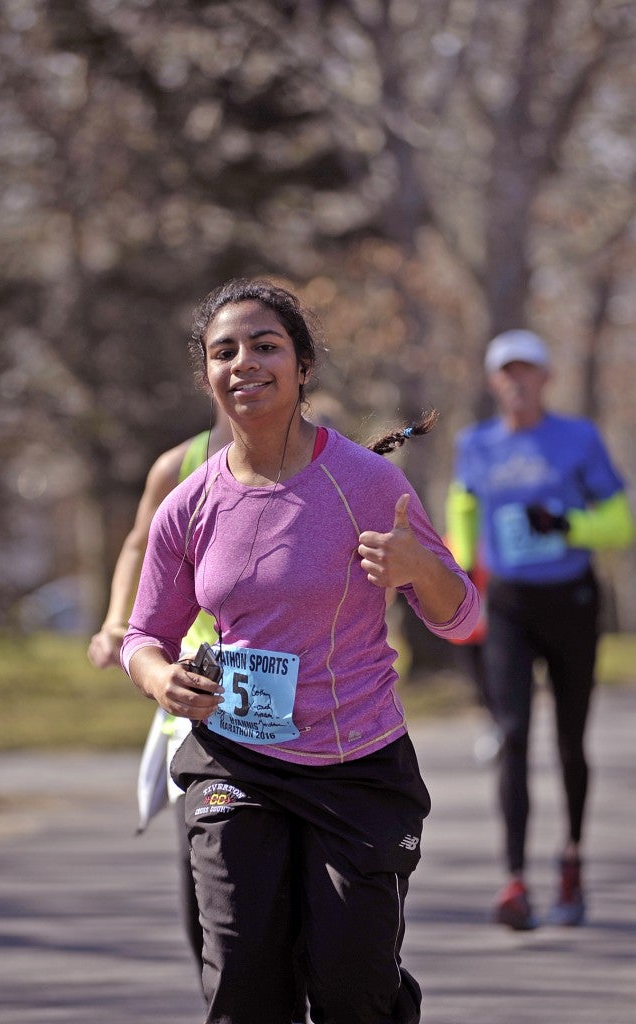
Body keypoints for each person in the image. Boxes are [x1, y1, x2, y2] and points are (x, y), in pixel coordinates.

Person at [121, 278, 480, 1024]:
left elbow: (462, 619)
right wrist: (159, 680)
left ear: (303, 365)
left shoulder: (367, 484)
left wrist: (420, 569)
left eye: (266, 345)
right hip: (236, 759)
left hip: (356, 764)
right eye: (224, 351)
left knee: (352, 992)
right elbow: (144, 635)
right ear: (207, 375)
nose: (244, 363)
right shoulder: (190, 504)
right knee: (244, 982)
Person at [446, 329, 634, 931]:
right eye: (507, 372)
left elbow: (620, 522)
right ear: (494, 382)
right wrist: (458, 578)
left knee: (570, 740)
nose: (518, 382)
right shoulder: (476, 444)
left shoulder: (578, 439)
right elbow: (463, 511)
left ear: (546, 378)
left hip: (572, 599)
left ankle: (572, 858)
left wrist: (567, 525)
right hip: (509, 604)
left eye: (527, 370)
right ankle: (516, 881)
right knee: (514, 736)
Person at [88, 407, 233, 983]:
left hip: (299, 693)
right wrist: (115, 623)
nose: (243, 371)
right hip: (201, 691)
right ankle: (223, 994)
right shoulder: (179, 466)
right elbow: (138, 544)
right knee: (206, 861)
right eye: (223, 361)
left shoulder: (321, 459)